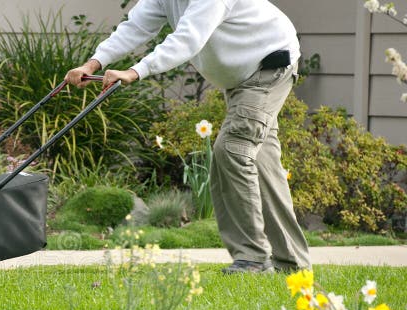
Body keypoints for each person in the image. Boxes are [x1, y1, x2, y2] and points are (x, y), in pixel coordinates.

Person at [65, 0, 311, 274]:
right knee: (262, 165)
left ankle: (253, 259)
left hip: (269, 65)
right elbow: (135, 27)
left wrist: (135, 71)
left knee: (233, 150)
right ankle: (293, 265)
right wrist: (94, 62)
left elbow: (188, 38)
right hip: (243, 75)